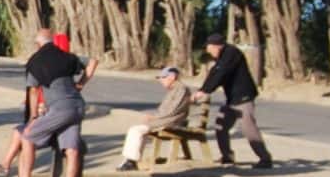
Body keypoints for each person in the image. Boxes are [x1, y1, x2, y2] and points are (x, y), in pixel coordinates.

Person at [0, 24, 98, 177]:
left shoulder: (36, 62)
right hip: (78, 106)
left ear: (38, 44)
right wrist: (81, 83)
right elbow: (93, 61)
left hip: (60, 108)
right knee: (72, 149)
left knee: (28, 136)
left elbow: (33, 91)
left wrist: (33, 117)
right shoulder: (66, 56)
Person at [196, 34, 274, 168]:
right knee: (221, 126)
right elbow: (215, 72)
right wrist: (203, 89)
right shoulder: (222, 57)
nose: (208, 51)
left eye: (209, 48)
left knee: (248, 128)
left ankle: (265, 159)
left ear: (217, 46)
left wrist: (206, 90)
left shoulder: (232, 53)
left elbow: (222, 72)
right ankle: (227, 156)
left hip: (243, 96)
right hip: (232, 99)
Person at [116, 66, 196, 170]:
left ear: (172, 77)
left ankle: (131, 161)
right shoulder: (175, 89)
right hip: (167, 120)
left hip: (171, 122)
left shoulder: (181, 89)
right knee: (139, 128)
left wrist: (155, 117)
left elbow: (173, 110)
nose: (160, 80)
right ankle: (130, 160)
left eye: (163, 77)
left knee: (136, 130)